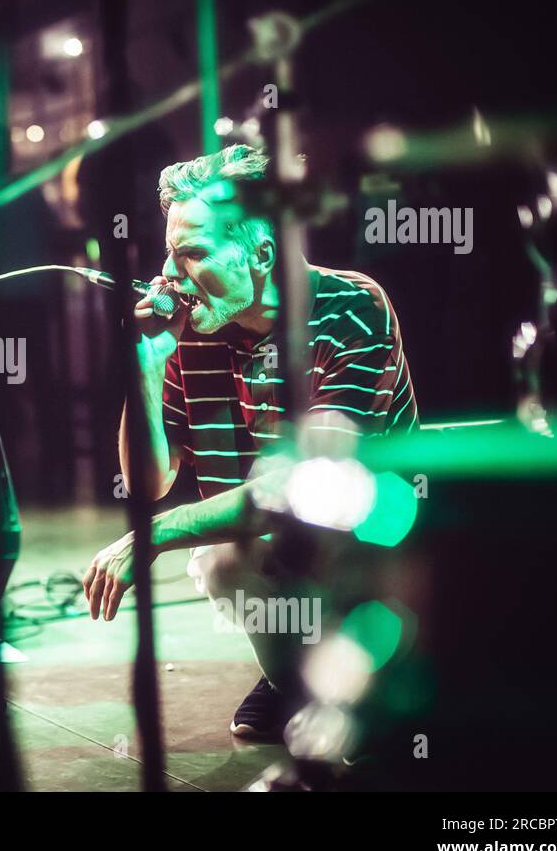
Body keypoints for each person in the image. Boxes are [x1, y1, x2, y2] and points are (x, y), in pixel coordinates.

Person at [82, 144, 418, 740]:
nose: (170, 278)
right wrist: (147, 365)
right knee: (219, 557)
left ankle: (371, 674)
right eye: (170, 255)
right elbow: (148, 482)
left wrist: (154, 533)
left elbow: (308, 485)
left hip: (371, 548)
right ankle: (293, 679)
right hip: (273, 540)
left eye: (193, 255)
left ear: (261, 251)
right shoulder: (193, 333)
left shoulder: (349, 310)